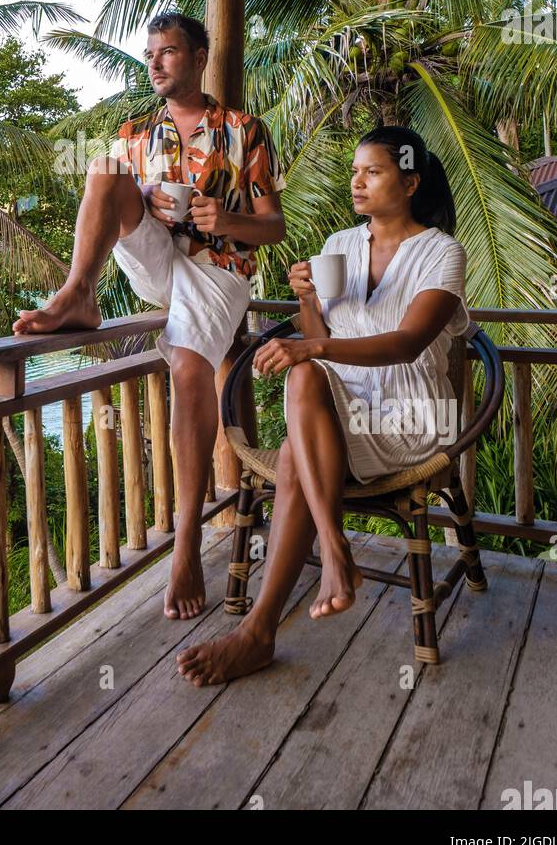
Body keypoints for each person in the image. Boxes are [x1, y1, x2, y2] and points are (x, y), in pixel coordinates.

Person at [13, 11, 286, 621]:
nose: (155, 62)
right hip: (160, 259)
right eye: (150, 52)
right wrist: (150, 206)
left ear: (198, 58)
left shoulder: (244, 130)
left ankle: (184, 542)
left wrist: (226, 219)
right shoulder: (136, 132)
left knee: (190, 372)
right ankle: (78, 292)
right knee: (106, 171)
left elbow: (274, 225)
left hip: (219, 269)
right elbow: (111, 206)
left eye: (168, 52)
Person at [176, 125, 470, 686]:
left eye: (373, 172)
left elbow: (407, 343)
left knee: (295, 436)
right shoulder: (339, 245)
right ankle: (316, 565)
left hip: (407, 415)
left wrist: (311, 344)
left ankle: (280, 607)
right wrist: (308, 302)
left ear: (409, 182)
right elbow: (320, 332)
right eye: (355, 171)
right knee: (305, 382)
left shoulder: (441, 253)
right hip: (336, 408)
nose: (357, 182)